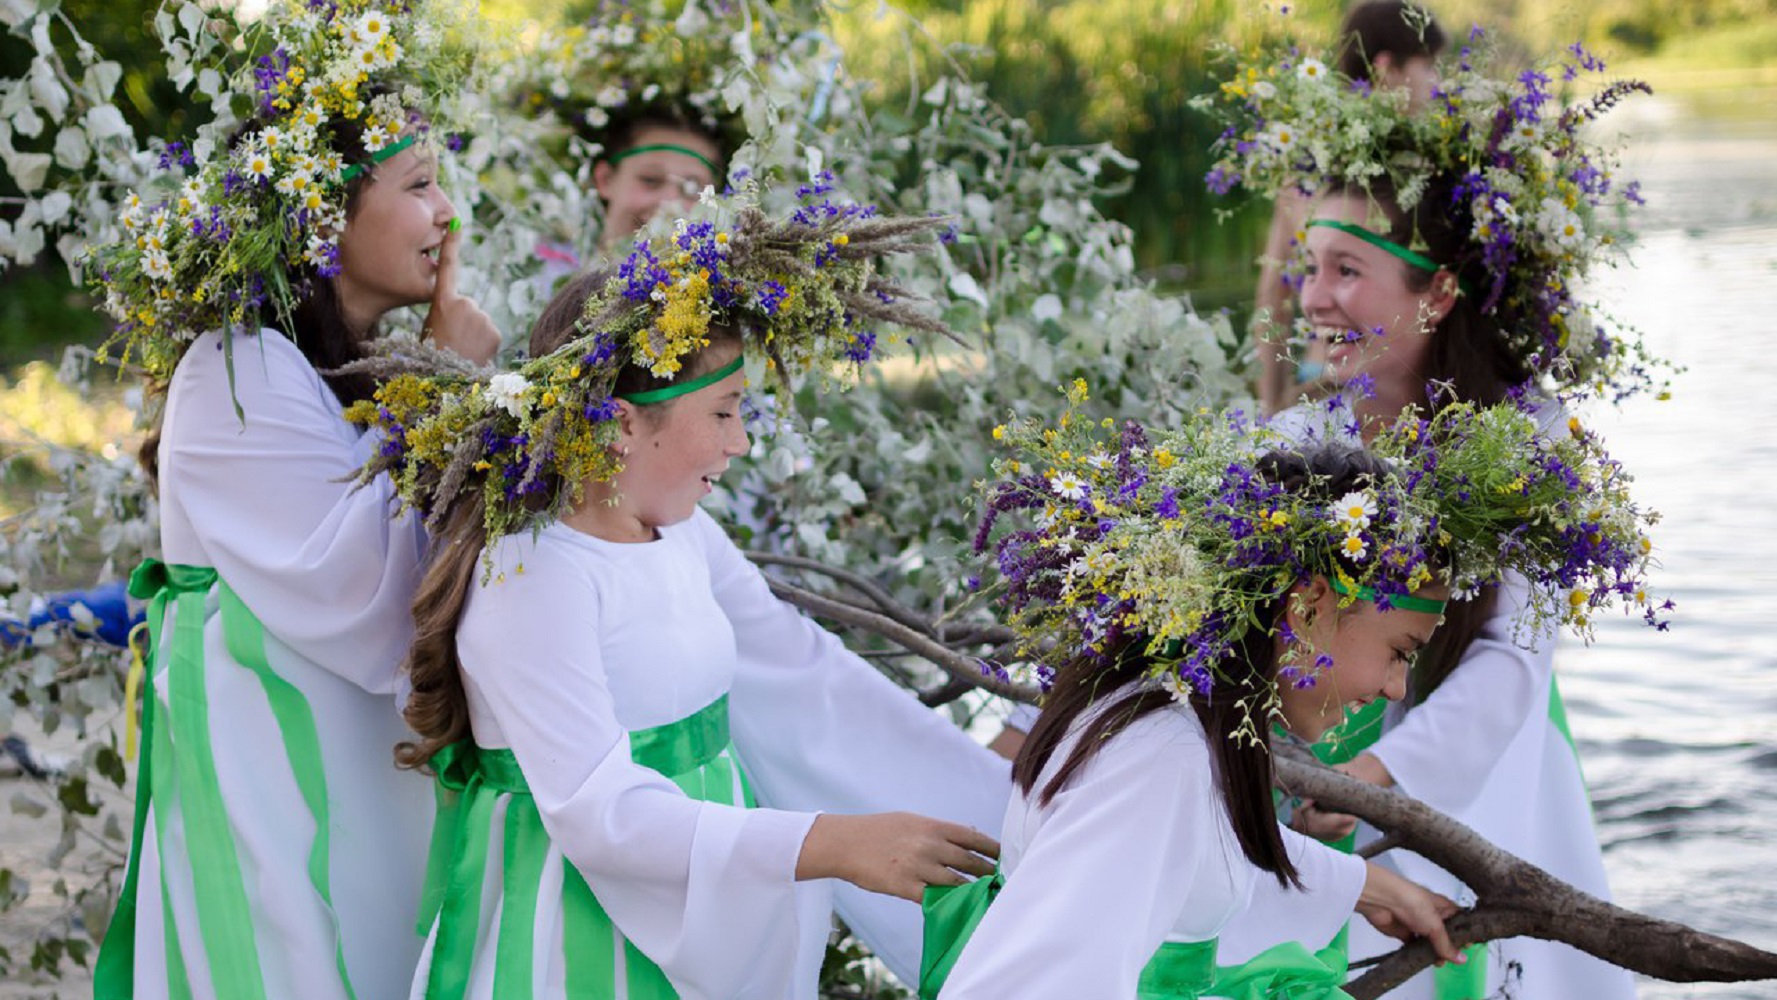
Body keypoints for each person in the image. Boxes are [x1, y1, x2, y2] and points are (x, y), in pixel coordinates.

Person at [347, 197, 1008, 998]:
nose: (740, 441)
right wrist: (828, 843)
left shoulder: (681, 531)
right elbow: (600, 811)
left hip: (720, 916)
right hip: (583, 935)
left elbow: (798, 664)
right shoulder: (535, 575)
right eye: (724, 412)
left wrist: (997, 788)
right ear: (623, 424)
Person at [924, 387, 1658, 999]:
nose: (1396, 689)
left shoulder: (1162, 720)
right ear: (1308, 605)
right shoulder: (1160, 760)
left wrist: (1358, 884)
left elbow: (1185, 862)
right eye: (1399, 653)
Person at [1206, 31, 1662, 1000]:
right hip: (1312, 777)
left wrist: (1376, 776)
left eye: (1345, 271)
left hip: (1471, 768)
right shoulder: (1291, 439)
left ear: (1439, 289)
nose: (1312, 297)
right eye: (1309, 265)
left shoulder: (1525, 437)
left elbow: (1510, 660)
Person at [85, 2, 502, 996]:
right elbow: (361, 585)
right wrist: (455, 384)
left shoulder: (347, 367)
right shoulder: (239, 369)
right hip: (273, 770)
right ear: (326, 218)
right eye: (419, 185)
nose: (448, 214)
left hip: (347, 762)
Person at [1250, 0, 1447, 416]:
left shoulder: (1306, 163)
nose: (1436, 84)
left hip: (1319, 373)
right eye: (1428, 67)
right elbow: (1275, 292)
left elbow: (1274, 294)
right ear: (1386, 68)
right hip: (1375, 390)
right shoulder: (1413, 175)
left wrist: (1270, 408)